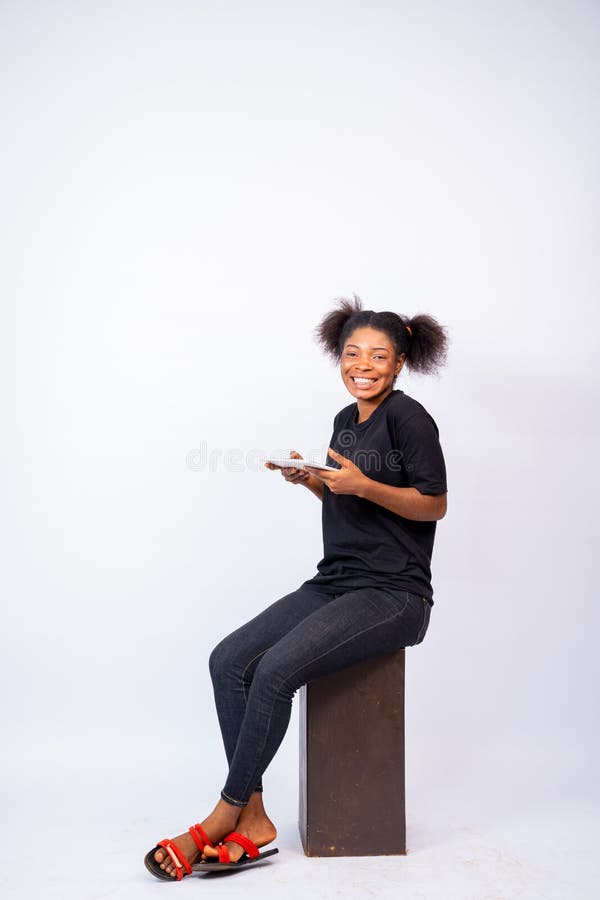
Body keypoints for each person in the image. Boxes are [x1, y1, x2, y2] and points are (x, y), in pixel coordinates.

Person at [144, 293, 448, 879]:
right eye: (351, 353)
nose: (362, 364)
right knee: (229, 659)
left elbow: (434, 504)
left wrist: (363, 487)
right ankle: (255, 815)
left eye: (377, 355)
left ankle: (223, 813)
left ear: (400, 362)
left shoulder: (409, 418)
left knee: (276, 670)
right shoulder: (344, 420)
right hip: (337, 580)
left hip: (394, 594)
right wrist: (313, 482)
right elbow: (349, 500)